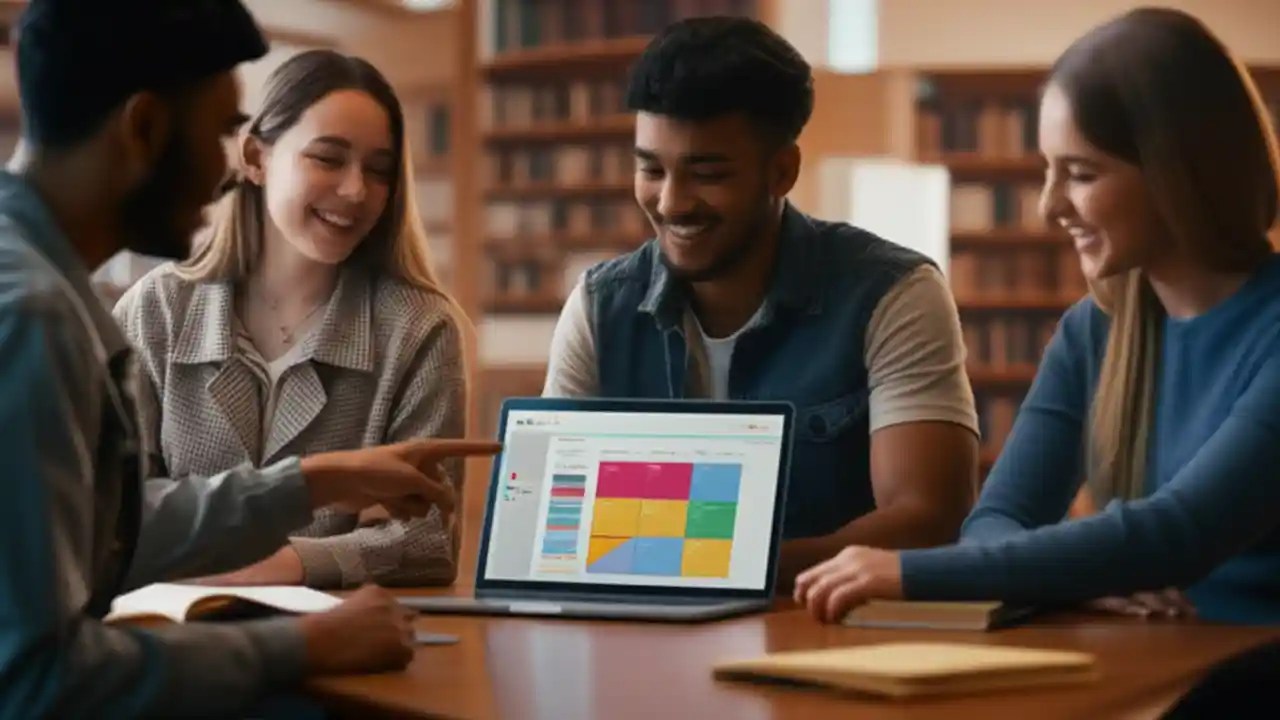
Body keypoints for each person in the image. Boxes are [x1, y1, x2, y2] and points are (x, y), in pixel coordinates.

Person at [0, 1, 499, 716]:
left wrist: (313, 482)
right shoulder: (32, 318)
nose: (222, 169)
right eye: (221, 133)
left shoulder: (37, 290)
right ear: (143, 130)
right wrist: (303, 648)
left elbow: (110, 527)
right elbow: (30, 680)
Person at [795, 7, 1280, 626]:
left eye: (1080, 174)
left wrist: (906, 572)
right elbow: (994, 524)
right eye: (1048, 171)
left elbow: (1181, 533)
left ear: (1178, 175)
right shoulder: (1094, 330)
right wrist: (1078, 579)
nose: (1051, 206)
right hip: (1148, 666)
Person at [542, 16, 979, 586]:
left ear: (782, 171)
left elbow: (927, 522)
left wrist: (711, 569)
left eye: (708, 173)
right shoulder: (599, 308)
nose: (672, 203)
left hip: (827, 639)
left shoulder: (892, 294)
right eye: (651, 169)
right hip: (635, 642)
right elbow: (549, 522)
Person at [114, 49, 470, 590]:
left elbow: (425, 542)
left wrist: (272, 569)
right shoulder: (156, 310)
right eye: (328, 158)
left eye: (379, 170)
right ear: (255, 157)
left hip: (344, 648)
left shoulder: (420, 329)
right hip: (170, 642)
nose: (356, 190)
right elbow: (114, 514)